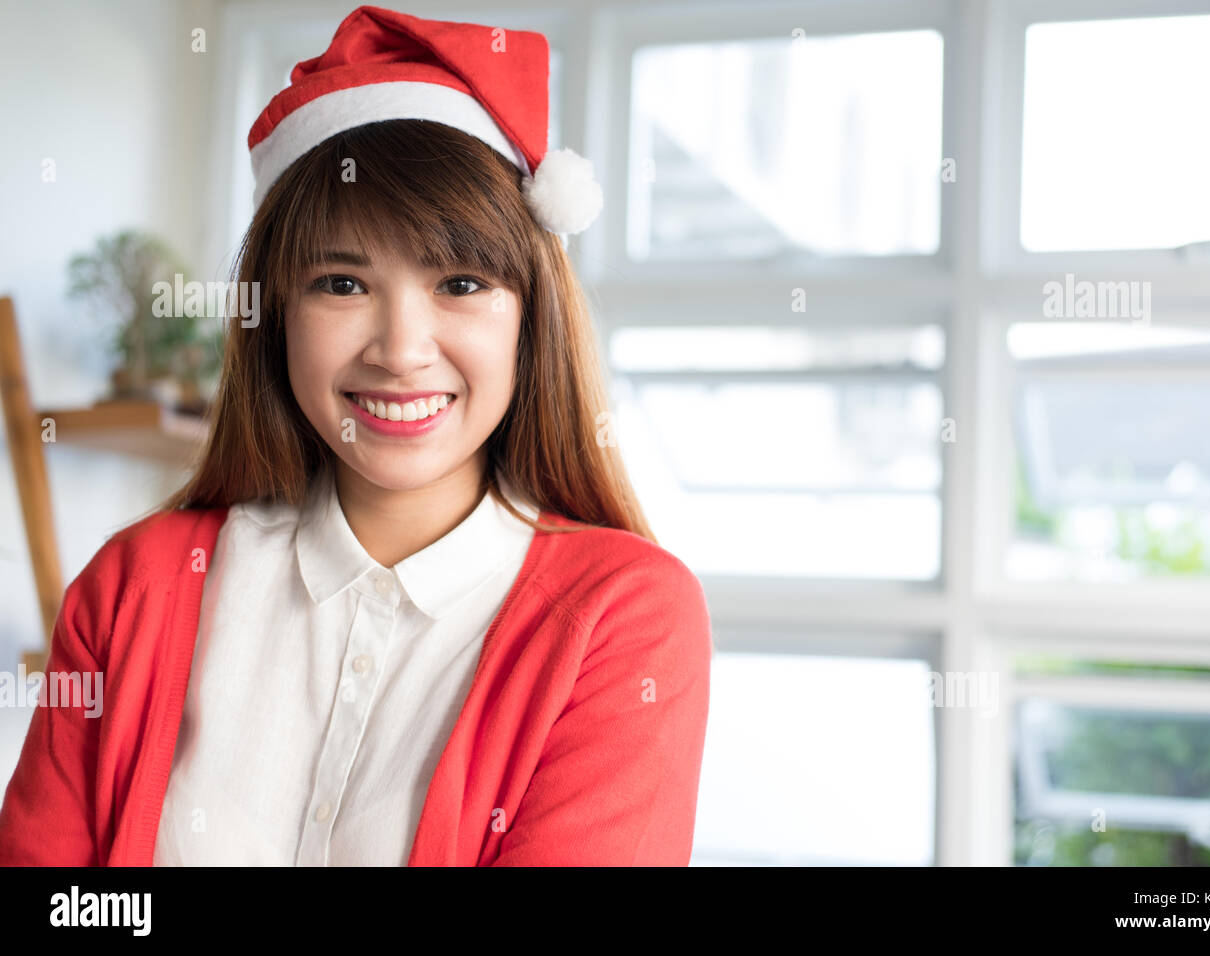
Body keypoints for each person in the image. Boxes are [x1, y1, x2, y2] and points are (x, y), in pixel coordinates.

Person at [0, 5, 712, 866]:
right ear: (277, 318)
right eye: (341, 282)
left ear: (532, 319)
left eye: (460, 281)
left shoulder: (622, 618)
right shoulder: (131, 587)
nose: (402, 351)